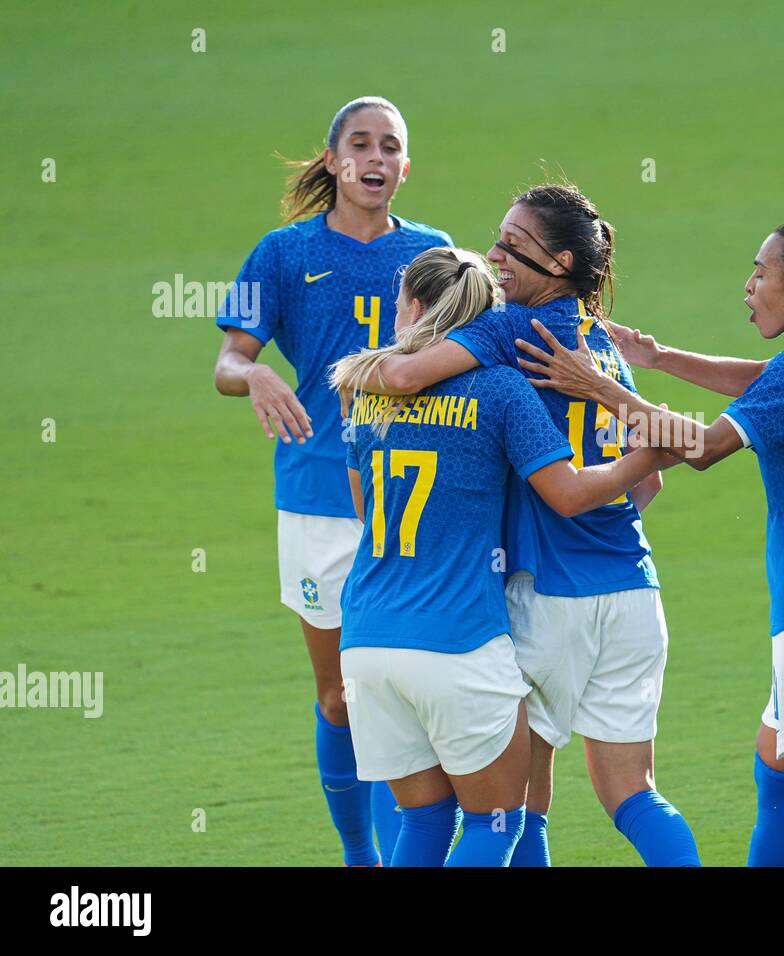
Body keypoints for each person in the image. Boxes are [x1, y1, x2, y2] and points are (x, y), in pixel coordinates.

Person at [516, 219, 784, 866]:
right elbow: (763, 379)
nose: (748, 287)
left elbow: (703, 448)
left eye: (761, 273)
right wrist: (658, 357)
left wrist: (599, 388)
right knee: (777, 765)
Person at [351, 184, 700, 867]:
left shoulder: (505, 331)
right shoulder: (602, 347)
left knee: (516, 811)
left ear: (562, 262)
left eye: (514, 246)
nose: (496, 256)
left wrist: (363, 371)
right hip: (633, 590)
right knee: (636, 797)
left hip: (545, 597)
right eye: (498, 238)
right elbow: (650, 477)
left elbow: (404, 374)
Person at [212, 96, 451, 866]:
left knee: (403, 696)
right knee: (343, 696)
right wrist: (252, 376)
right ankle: (361, 856)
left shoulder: (436, 255)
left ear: (406, 166)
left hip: (414, 494)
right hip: (318, 498)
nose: (376, 158)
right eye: (360, 144)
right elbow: (227, 360)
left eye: (391, 146)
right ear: (332, 161)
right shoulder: (280, 255)